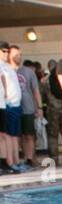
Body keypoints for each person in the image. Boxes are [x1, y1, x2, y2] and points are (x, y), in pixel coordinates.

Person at [0, 42, 24, 174]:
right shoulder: (2, 67)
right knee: (6, 136)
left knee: (13, 135)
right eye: (3, 51)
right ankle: (9, 162)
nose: (5, 53)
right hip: (7, 104)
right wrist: (5, 96)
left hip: (14, 105)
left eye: (6, 51)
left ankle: (15, 162)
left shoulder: (8, 67)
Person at [40, 59, 62, 165]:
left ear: (49, 68)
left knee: (53, 136)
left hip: (52, 111)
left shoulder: (45, 81)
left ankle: (54, 160)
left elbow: (42, 97)